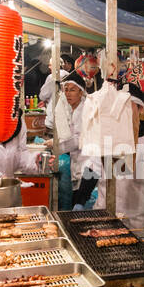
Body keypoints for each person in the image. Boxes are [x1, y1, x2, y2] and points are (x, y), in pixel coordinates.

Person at [94, 84, 144, 237]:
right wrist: (80, 200)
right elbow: (92, 170)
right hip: (104, 215)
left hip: (139, 221)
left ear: (140, 109)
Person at [46, 72, 94, 208]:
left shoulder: (85, 110)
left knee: (83, 204)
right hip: (78, 163)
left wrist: (56, 146)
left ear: (81, 92)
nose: (68, 94)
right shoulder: (72, 109)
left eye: (72, 90)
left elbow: (80, 140)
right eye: (66, 90)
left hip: (89, 165)